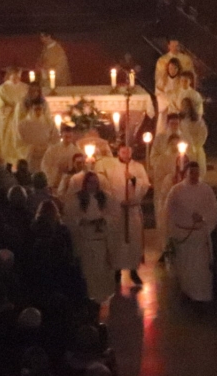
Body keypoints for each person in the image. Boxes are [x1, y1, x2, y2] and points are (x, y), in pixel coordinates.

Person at [164, 161, 217, 302]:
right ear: (186, 173)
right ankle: (187, 292)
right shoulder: (176, 190)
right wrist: (172, 231)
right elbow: (168, 211)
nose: (194, 175)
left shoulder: (206, 189)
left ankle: (202, 295)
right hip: (183, 235)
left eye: (197, 172)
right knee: (186, 267)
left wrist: (203, 218)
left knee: (201, 268)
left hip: (199, 235)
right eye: (192, 172)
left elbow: (214, 210)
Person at [100, 146, 150, 286]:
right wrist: (117, 201)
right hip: (117, 210)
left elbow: (145, 185)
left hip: (132, 209)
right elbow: (106, 188)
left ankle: (133, 271)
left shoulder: (138, 167)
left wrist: (134, 180)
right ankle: (117, 271)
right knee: (118, 240)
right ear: (119, 152)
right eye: (123, 151)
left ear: (131, 151)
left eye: (128, 151)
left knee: (133, 240)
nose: (126, 153)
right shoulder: (111, 167)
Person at [63, 172, 116, 303]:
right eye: (90, 182)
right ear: (85, 184)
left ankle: (101, 298)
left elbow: (114, 214)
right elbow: (70, 216)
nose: (93, 185)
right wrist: (82, 221)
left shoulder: (105, 197)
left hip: (101, 240)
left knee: (101, 270)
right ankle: (89, 298)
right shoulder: (77, 199)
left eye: (95, 182)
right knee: (88, 271)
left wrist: (104, 220)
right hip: (86, 240)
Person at [0, 67, 28, 164]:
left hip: (22, 118)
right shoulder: (2, 89)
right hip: (9, 121)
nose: (17, 78)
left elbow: (29, 103)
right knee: (9, 142)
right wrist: (12, 109)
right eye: (14, 76)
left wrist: (23, 109)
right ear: (9, 75)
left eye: (18, 75)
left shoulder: (25, 88)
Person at [17, 101, 57, 173]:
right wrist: (30, 148)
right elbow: (19, 141)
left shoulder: (49, 123)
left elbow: (55, 139)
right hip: (31, 155)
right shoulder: (23, 125)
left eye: (40, 109)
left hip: (45, 154)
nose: (38, 111)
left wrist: (48, 147)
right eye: (36, 109)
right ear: (31, 109)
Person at [42, 124, 79, 191]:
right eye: (66, 137)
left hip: (69, 184)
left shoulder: (76, 151)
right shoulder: (52, 150)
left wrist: (69, 169)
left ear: (72, 136)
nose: (68, 139)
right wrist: (57, 169)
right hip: (54, 182)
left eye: (69, 137)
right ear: (62, 135)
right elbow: (45, 165)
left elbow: (79, 168)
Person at [179, 96, 208, 177]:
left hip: (195, 147)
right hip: (183, 148)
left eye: (186, 106)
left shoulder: (197, 120)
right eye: (183, 106)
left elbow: (203, 133)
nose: (184, 108)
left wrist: (196, 145)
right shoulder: (181, 120)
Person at [154, 57, 183, 134]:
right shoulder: (162, 80)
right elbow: (158, 93)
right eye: (170, 68)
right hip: (165, 110)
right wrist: (168, 100)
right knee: (163, 131)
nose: (172, 71)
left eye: (175, 68)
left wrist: (173, 100)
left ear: (178, 69)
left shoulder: (181, 81)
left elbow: (182, 95)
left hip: (177, 110)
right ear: (167, 68)